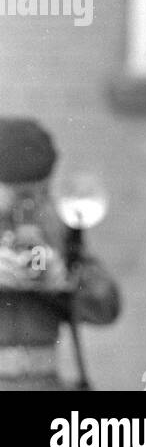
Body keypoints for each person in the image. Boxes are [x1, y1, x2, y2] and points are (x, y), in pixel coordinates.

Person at [0, 118, 120, 391]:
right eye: (19, 194)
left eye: (40, 194)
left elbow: (107, 309)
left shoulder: (53, 231)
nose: (29, 205)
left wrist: (66, 279)